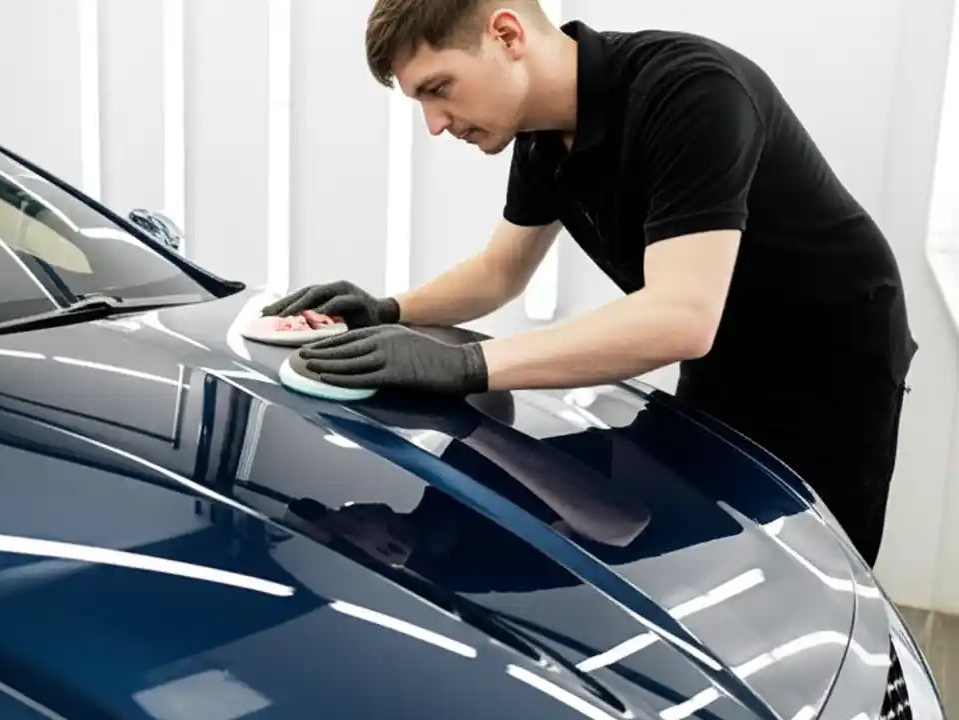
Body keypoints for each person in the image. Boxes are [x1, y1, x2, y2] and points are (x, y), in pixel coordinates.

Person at [261, 0, 917, 566]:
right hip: (726, 351)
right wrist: (387, 309)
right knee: (714, 539)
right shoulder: (544, 139)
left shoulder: (691, 94)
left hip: (832, 362)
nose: (435, 123)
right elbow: (500, 271)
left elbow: (682, 317)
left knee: (819, 571)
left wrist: (464, 365)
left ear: (507, 35)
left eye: (439, 89)